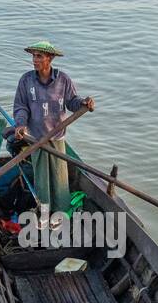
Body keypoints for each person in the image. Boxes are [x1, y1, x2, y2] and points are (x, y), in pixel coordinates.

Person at [9, 42, 94, 212]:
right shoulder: (26, 80)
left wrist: (84, 102)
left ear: (50, 58)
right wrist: (20, 125)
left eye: (39, 56)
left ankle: (61, 213)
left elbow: (72, 102)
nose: (34, 60)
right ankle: (45, 212)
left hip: (57, 137)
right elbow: (21, 107)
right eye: (33, 56)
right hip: (36, 139)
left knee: (59, 179)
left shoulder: (63, 79)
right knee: (42, 180)